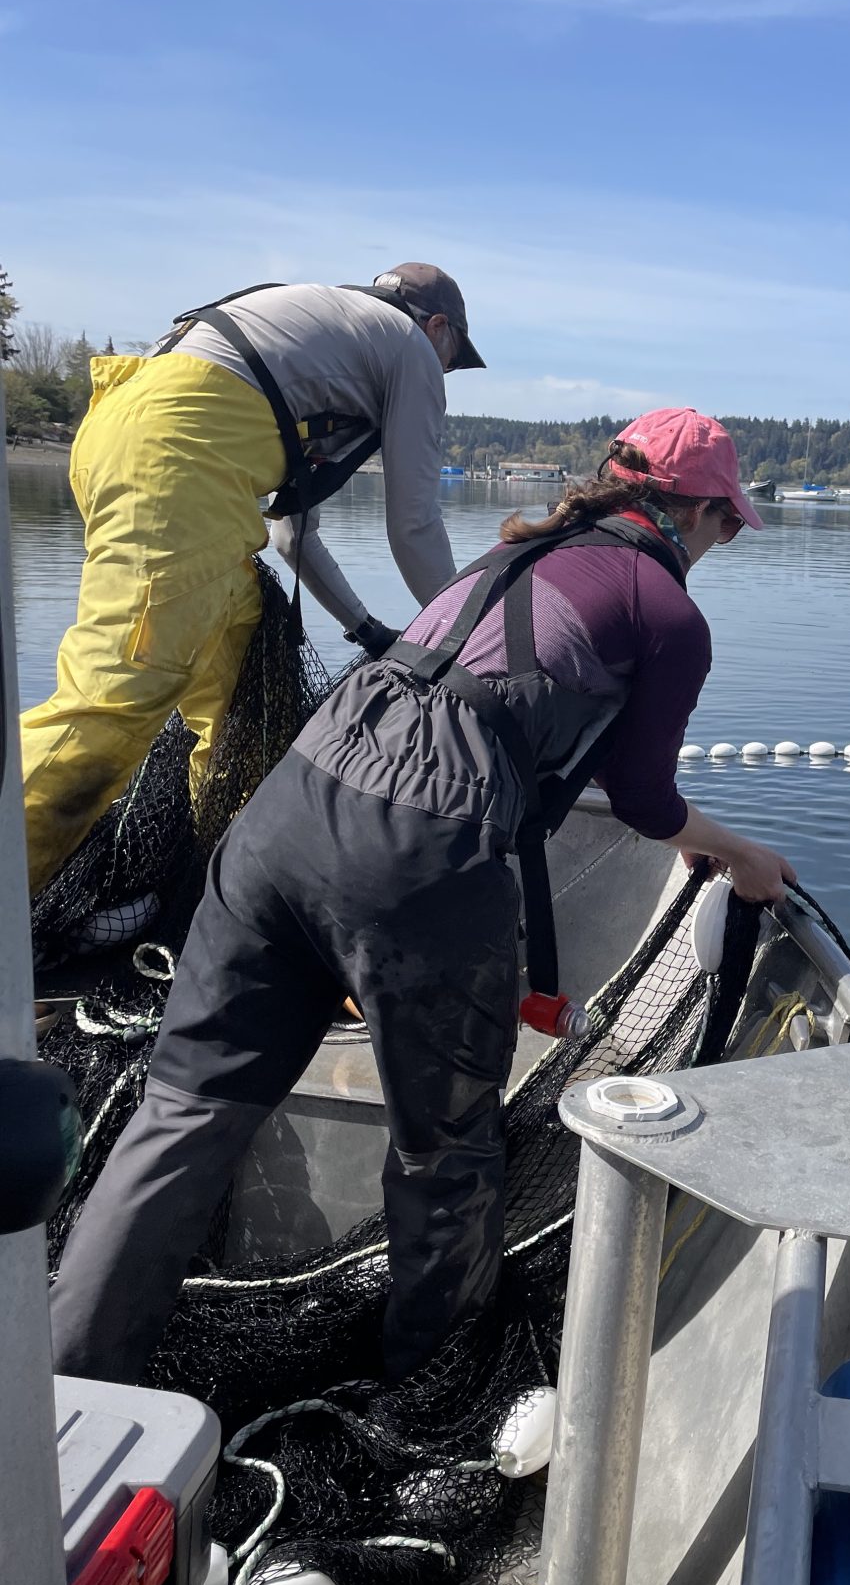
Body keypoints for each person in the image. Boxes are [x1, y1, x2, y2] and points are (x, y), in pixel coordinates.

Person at [50, 407, 795, 1385]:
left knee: (185, 1113)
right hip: (421, 859)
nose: (725, 539)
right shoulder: (667, 613)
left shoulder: (507, 553)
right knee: (446, 1157)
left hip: (285, 815)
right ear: (695, 509)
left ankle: (68, 1378)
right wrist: (740, 853)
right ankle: (426, 1394)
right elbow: (649, 803)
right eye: (727, 521)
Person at [20, 264, 482, 894]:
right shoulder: (410, 348)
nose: (446, 374)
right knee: (117, 699)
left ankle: (225, 883)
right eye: (453, 357)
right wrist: (472, 644)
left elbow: (293, 535)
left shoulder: (321, 328)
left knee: (244, 675)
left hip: (128, 427)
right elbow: (416, 528)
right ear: (437, 327)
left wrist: (367, 629)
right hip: (181, 454)